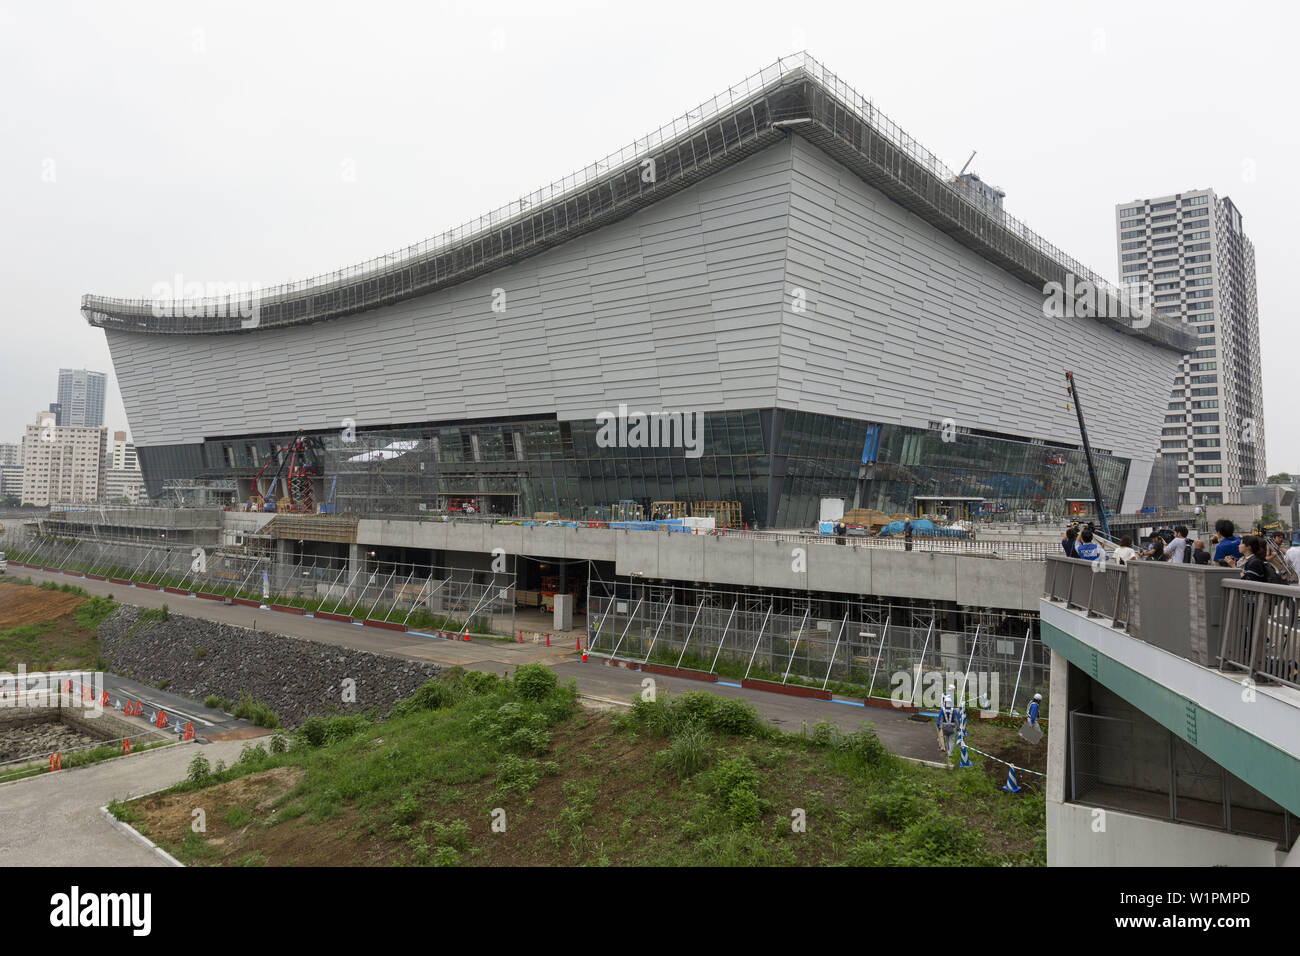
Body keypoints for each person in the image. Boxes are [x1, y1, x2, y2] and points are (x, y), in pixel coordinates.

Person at [937, 684, 958, 758]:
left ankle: (945, 749)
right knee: (950, 739)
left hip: (944, 721)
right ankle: (948, 752)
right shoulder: (949, 697)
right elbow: (956, 718)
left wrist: (938, 725)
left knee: (945, 738)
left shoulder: (944, 695)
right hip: (951, 722)